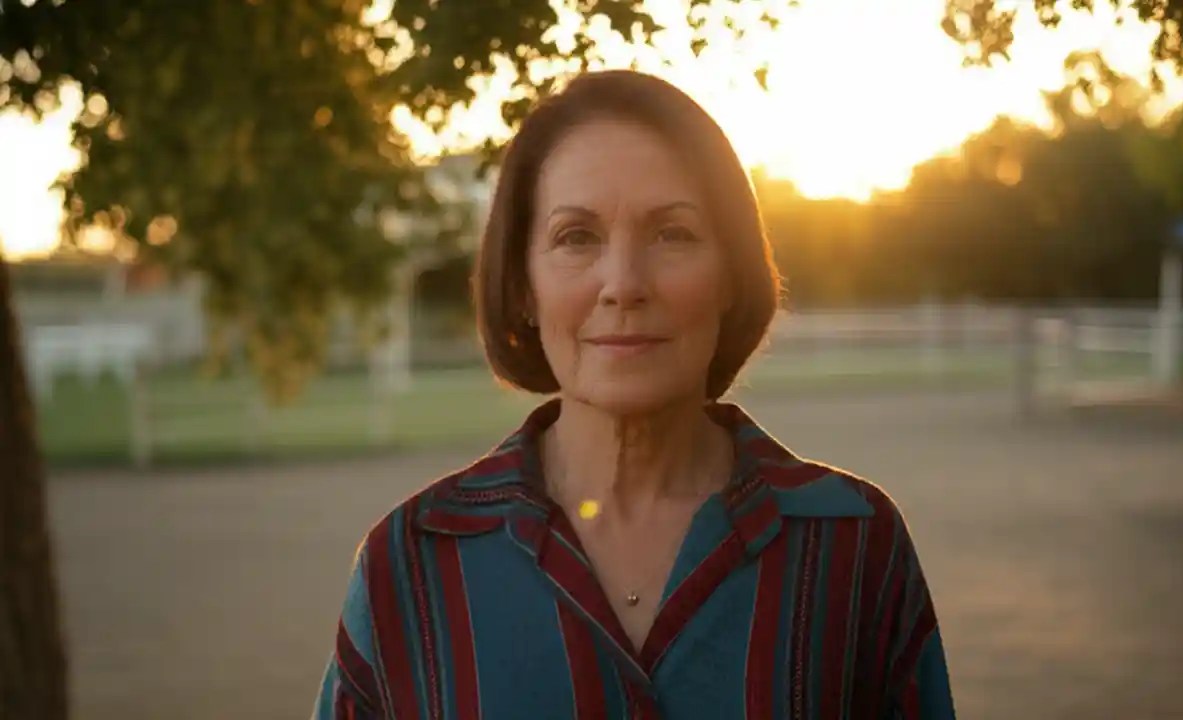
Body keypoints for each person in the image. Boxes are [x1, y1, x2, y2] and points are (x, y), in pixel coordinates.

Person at [312, 70, 955, 719]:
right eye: (576, 237)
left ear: (732, 274)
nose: (623, 283)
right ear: (524, 285)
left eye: (672, 233)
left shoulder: (852, 545)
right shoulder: (411, 567)